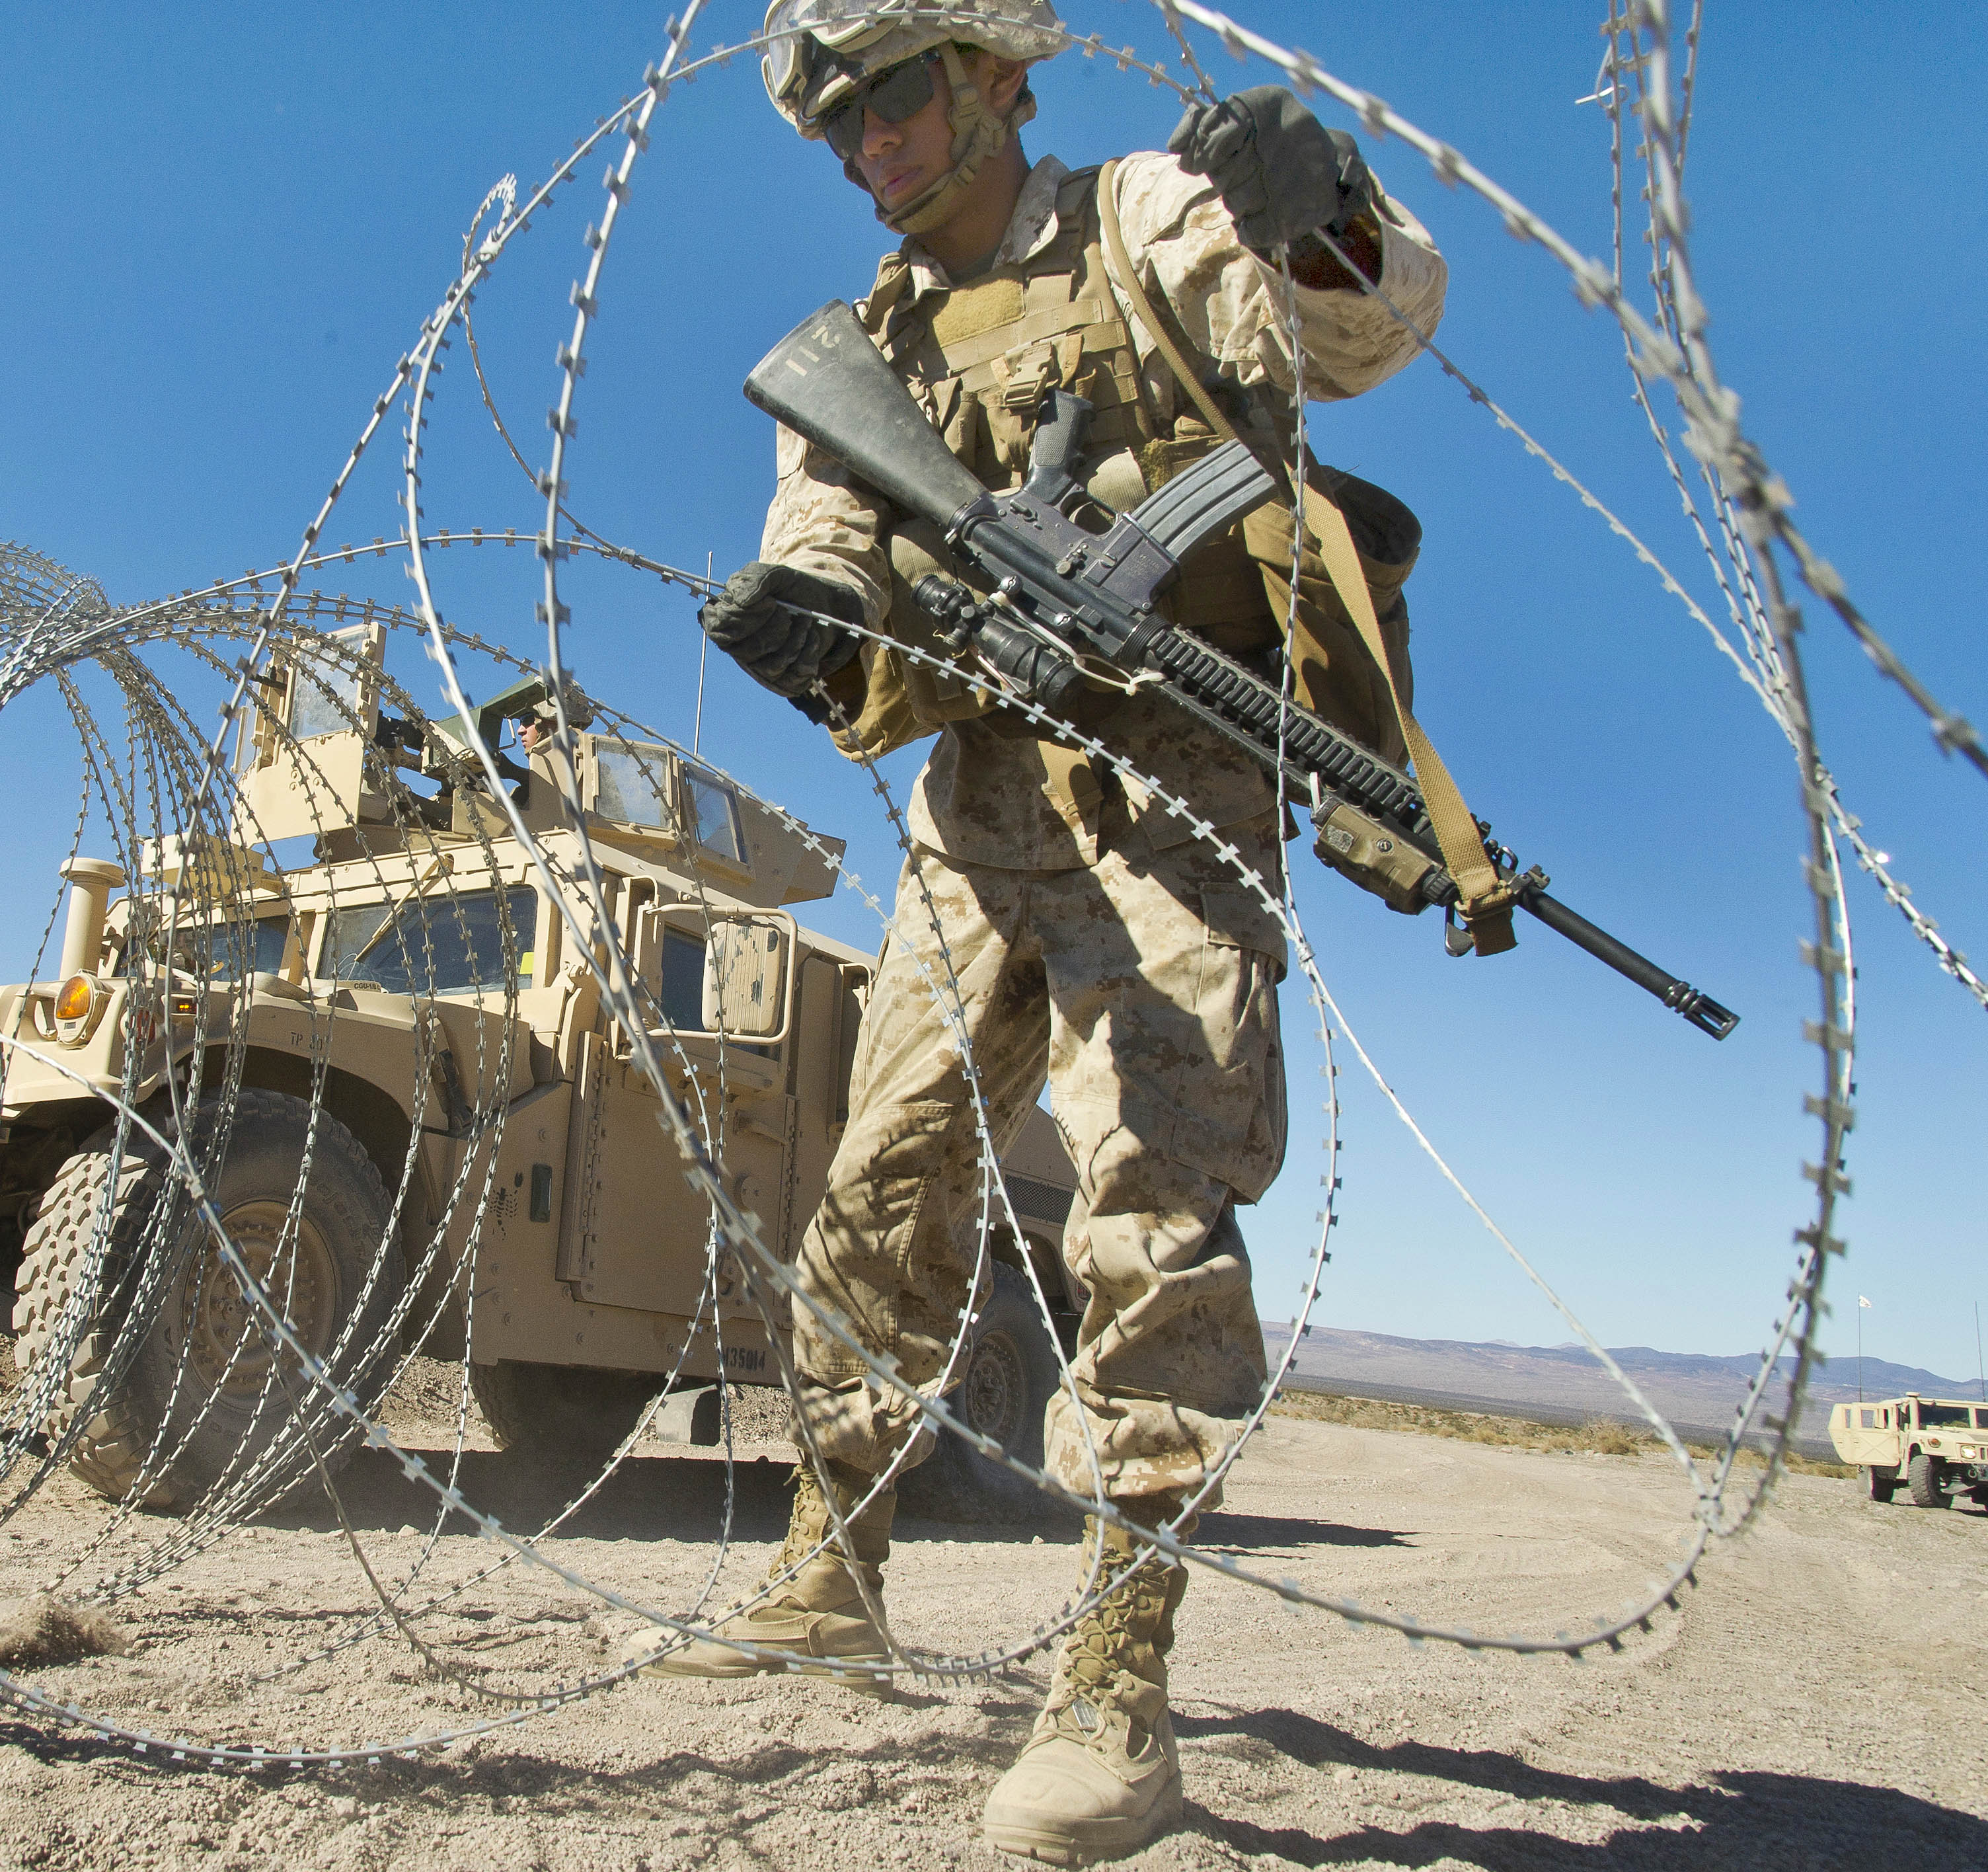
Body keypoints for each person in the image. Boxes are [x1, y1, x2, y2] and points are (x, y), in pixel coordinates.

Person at [638, 3, 1447, 1863]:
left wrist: (1324, 219)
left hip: (1173, 778)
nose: (871, 147)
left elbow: (1353, 339)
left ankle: (1118, 1682)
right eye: (837, 128)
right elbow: (827, 529)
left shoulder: (1152, 215)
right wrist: (812, 618)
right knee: (878, 1188)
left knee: (1150, 1194)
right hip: (979, 808)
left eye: (895, 98)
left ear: (998, 79)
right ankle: (827, 1578)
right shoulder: (878, 345)